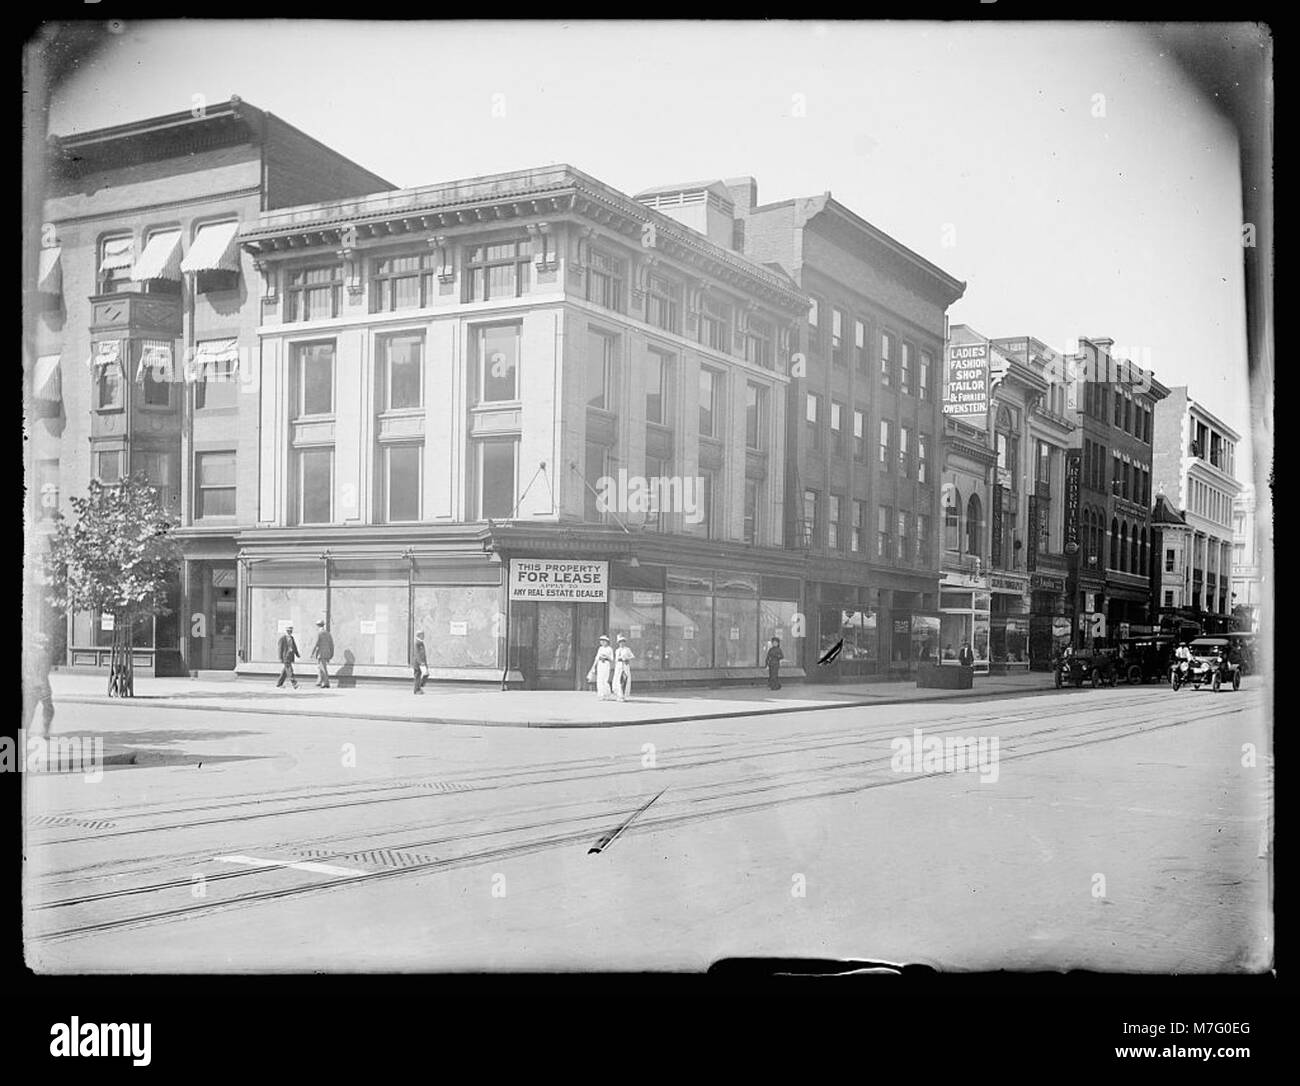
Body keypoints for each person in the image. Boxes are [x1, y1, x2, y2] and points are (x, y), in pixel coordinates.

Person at [586, 634, 615, 699]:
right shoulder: (600, 648)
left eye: (604, 641)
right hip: (600, 664)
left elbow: (612, 659)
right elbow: (596, 658)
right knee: (599, 679)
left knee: (605, 679)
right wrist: (593, 666)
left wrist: (606, 656)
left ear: (607, 641)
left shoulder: (609, 649)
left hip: (606, 664)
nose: (602, 642)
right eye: (601, 641)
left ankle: (607, 694)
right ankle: (601, 694)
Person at [311, 619, 334, 688]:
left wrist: (312, 653)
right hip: (327, 653)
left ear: (318, 626)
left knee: (323, 668)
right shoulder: (328, 633)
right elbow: (331, 644)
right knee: (320, 667)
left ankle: (326, 683)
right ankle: (319, 681)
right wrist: (331, 653)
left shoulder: (319, 633)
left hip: (321, 653)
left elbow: (316, 644)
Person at [276, 624, 300, 689]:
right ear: (286, 631)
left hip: (290, 656)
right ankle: (294, 683)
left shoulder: (292, 638)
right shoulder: (282, 639)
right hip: (285, 657)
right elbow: (280, 649)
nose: (289, 632)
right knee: (290, 670)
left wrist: (297, 654)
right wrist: (280, 657)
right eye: (288, 631)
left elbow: (294, 647)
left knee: (285, 671)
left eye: (291, 631)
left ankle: (279, 684)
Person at [613, 634, 635, 701]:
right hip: (618, 666)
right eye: (620, 642)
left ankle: (624, 695)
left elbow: (632, 656)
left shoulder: (627, 649)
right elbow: (616, 659)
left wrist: (627, 658)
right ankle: (619, 695)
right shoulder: (617, 650)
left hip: (625, 665)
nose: (621, 643)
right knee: (618, 680)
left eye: (623, 642)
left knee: (624, 679)